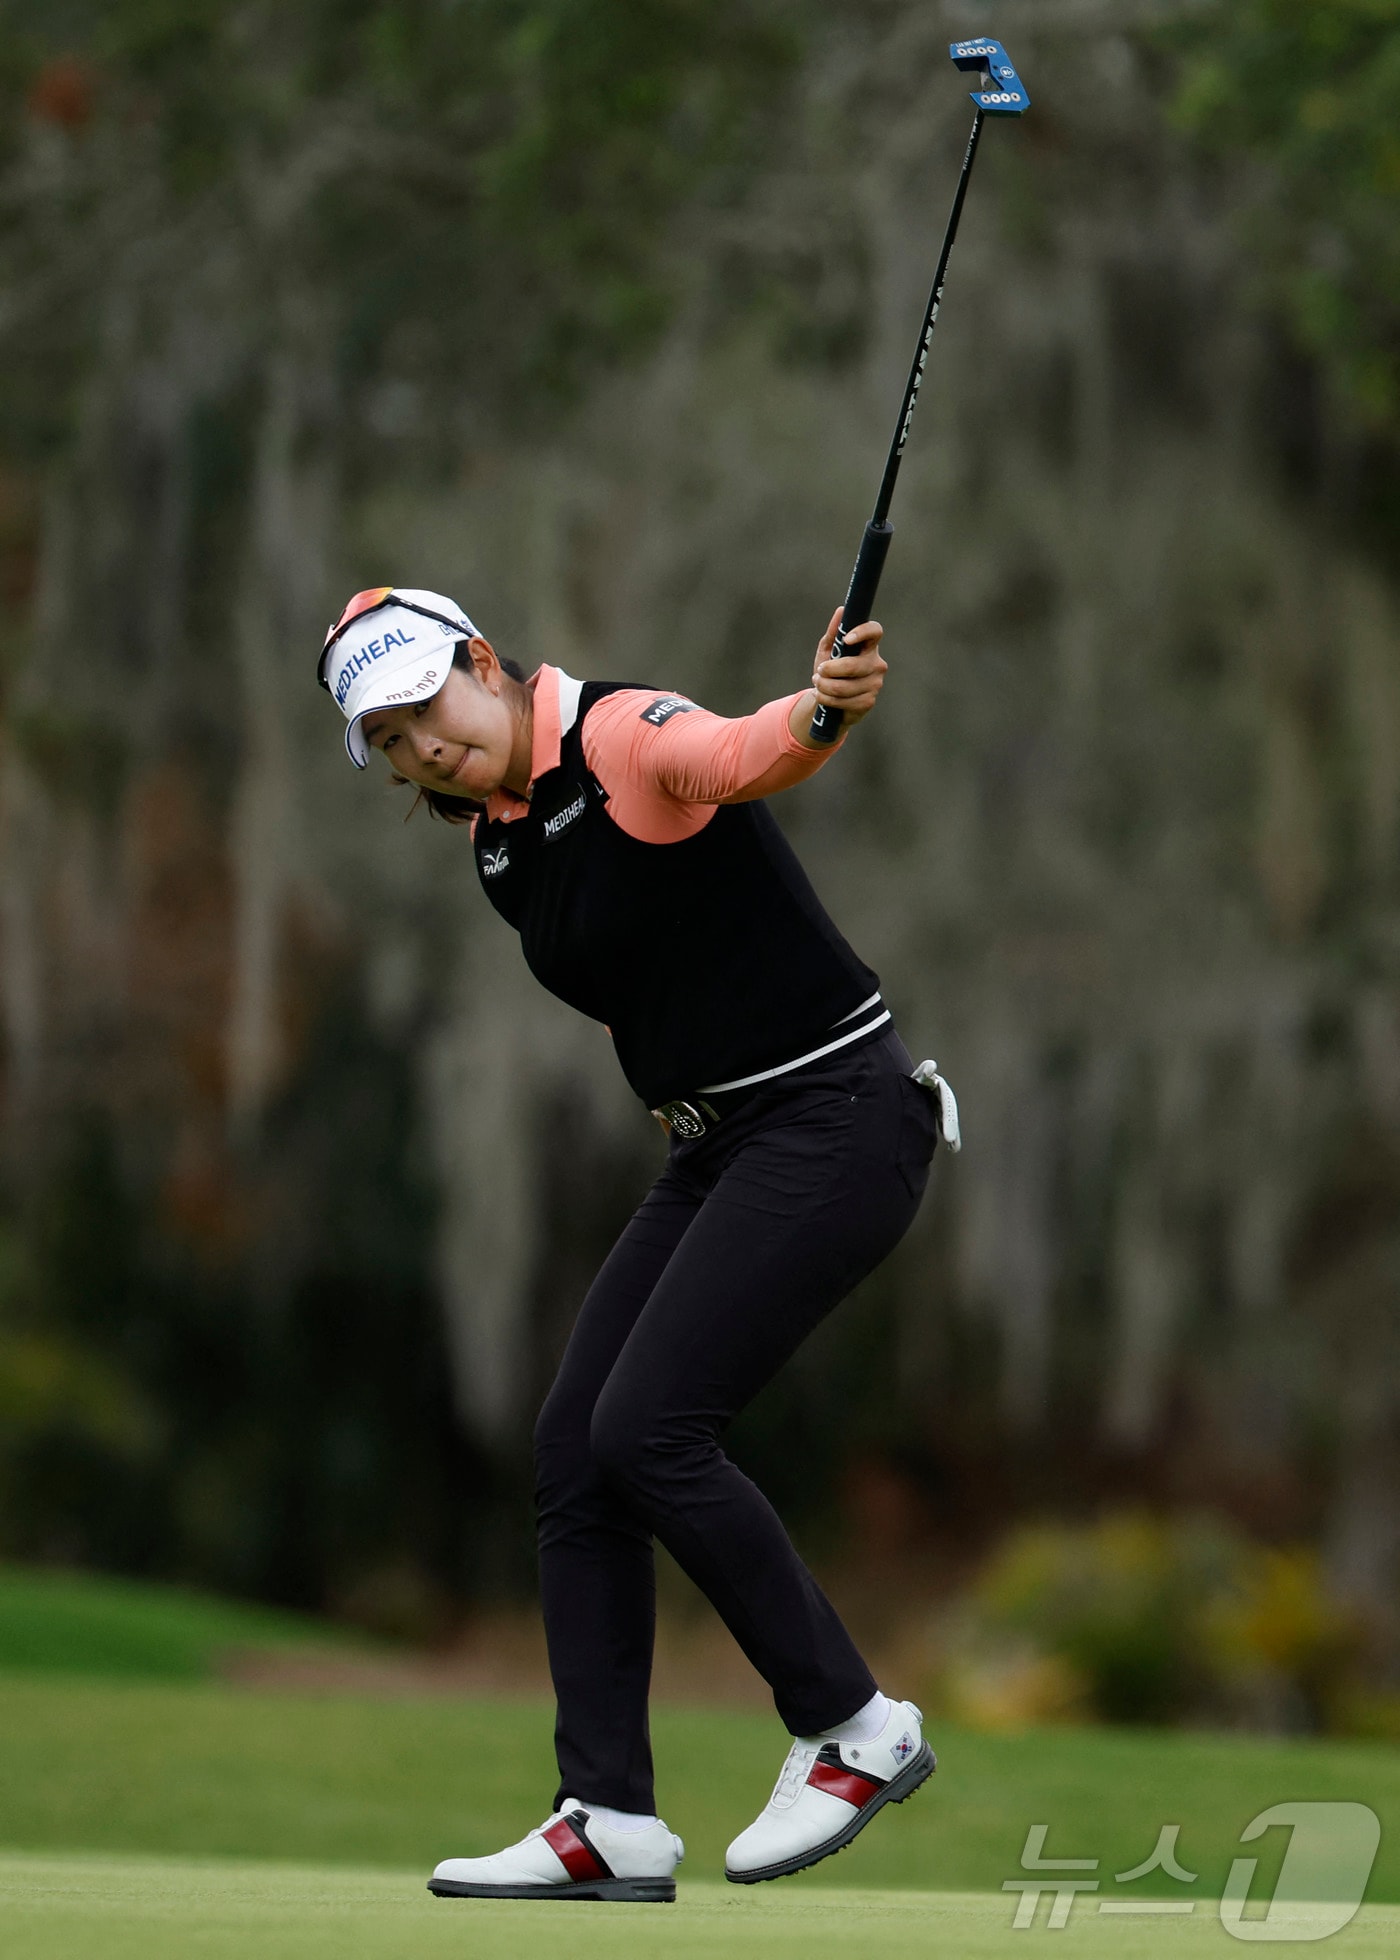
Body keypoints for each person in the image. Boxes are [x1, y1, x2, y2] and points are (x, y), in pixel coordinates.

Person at [317, 585, 949, 1903]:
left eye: (427, 705)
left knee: (650, 1427)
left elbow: (737, 753)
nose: (422, 745)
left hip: (837, 1117)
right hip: (722, 1142)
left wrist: (820, 709)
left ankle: (852, 1728)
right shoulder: (501, 844)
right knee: (577, 1446)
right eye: (389, 739)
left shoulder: (615, 735)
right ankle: (606, 1814)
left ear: (481, 661)